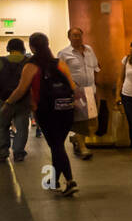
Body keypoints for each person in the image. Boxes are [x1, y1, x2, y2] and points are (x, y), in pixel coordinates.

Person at [5, 33, 78, 195]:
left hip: (46, 111)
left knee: (56, 145)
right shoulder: (59, 64)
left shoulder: (31, 66)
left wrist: (8, 103)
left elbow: (21, 89)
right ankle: (54, 181)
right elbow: (72, 86)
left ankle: (70, 180)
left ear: (32, 47)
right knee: (57, 145)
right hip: (66, 109)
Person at [57, 26, 99, 160]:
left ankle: (76, 138)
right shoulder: (64, 53)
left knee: (92, 122)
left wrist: (96, 86)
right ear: (69, 37)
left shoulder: (89, 50)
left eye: (79, 35)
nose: (77, 37)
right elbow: (60, 74)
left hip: (91, 90)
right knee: (81, 120)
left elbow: (96, 68)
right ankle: (82, 147)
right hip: (77, 92)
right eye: (74, 35)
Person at [0, 38, 32, 162]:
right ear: (22, 48)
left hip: (3, 100)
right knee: (22, 127)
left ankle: (2, 152)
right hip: (23, 100)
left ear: (8, 48)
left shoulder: (1, 61)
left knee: (2, 126)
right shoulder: (28, 62)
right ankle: (18, 152)